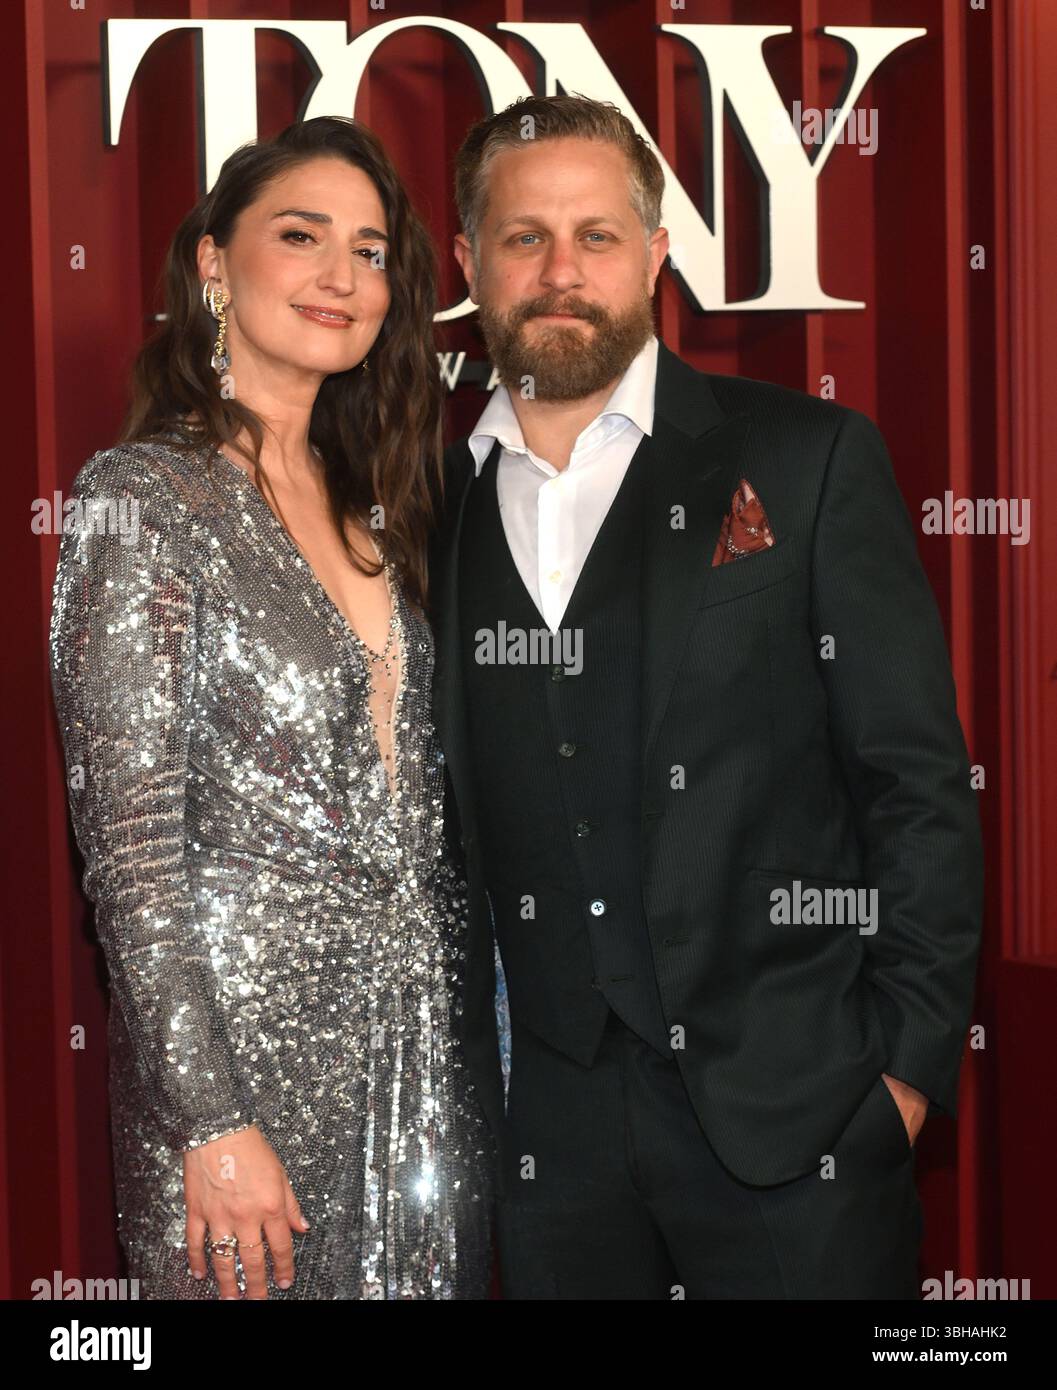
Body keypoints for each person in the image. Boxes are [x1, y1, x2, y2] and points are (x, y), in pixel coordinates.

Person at [429, 94, 984, 1299]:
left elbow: (916, 779)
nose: (561, 270)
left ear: (657, 253)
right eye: (524, 238)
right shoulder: (425, 502)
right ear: (467, 261)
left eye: (597, 235)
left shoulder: (805, 455)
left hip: (796, 1113)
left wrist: (902, 1074)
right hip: (546, 1138)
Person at [48, 115, 494, 1300]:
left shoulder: (380, 504)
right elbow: (132, 853)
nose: (340, 277)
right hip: (242, 1065)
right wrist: (209, 1118)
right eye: (301, 237)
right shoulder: (138, 501)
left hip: (417, 1051)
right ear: (212, 265)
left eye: (368, 249)